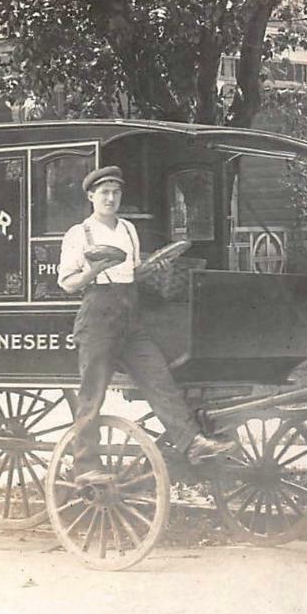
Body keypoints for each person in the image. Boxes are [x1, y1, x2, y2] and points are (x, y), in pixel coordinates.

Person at [58, 165, 232, 481]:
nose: (110, 198)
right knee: (92, 395)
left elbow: (133, 273)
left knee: (160, 379)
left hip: (131, 316)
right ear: (91, 197)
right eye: (104, 193)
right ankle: (85, 467)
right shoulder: (78, 234)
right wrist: (94, 270)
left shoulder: (128, 230)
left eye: (116, 192)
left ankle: (192, 444)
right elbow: (68, 283)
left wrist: (155, 267)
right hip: (97, 317)